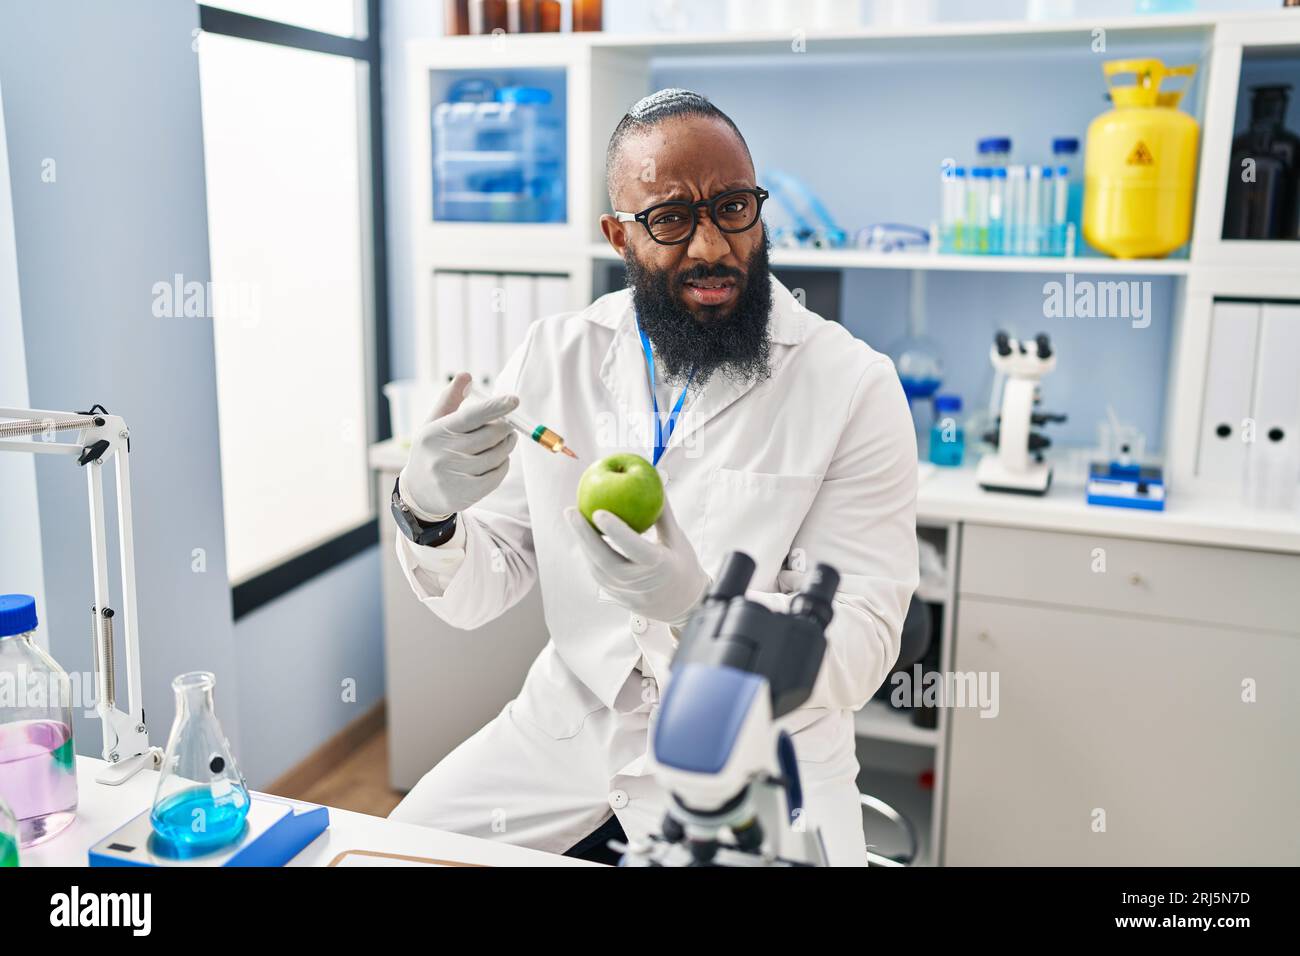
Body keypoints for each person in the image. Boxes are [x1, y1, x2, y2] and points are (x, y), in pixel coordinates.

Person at [387, 89, 918, 866]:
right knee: (393, 854)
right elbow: (478, 592)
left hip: (756, 754)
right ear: (618, 236)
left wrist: (700, 612)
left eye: (733, 206)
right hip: (568, 730)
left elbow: (862, 647)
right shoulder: (554, 353)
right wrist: (426, 512)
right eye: (670, 219)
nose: (711, 246)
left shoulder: (853, 385)